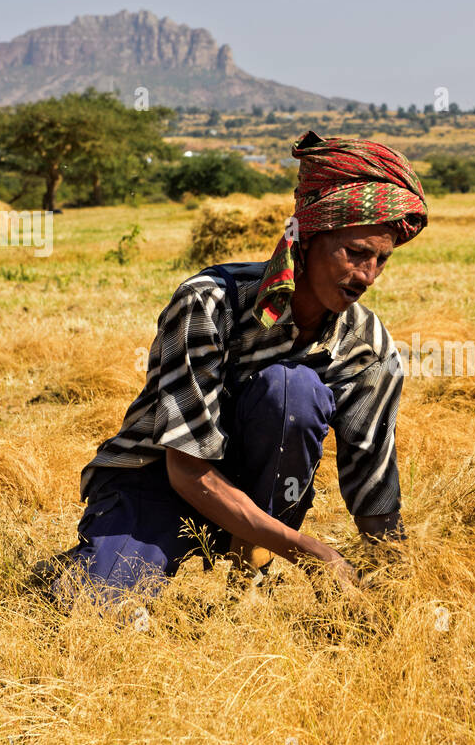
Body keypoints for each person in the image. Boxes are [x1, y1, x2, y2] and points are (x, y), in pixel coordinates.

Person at [45, 131, 427, 602]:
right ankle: (90, 565)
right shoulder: (210, 304)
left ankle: (251, 567)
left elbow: (374, 488)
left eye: (381, 260)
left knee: (294, 392)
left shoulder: (367, 346)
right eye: (355, 253)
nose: (367, 276)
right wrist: (311, 551)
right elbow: (186, 469)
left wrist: (398, 588)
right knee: (96, 607)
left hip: (262, 500)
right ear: (306, 240)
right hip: (158, 478)